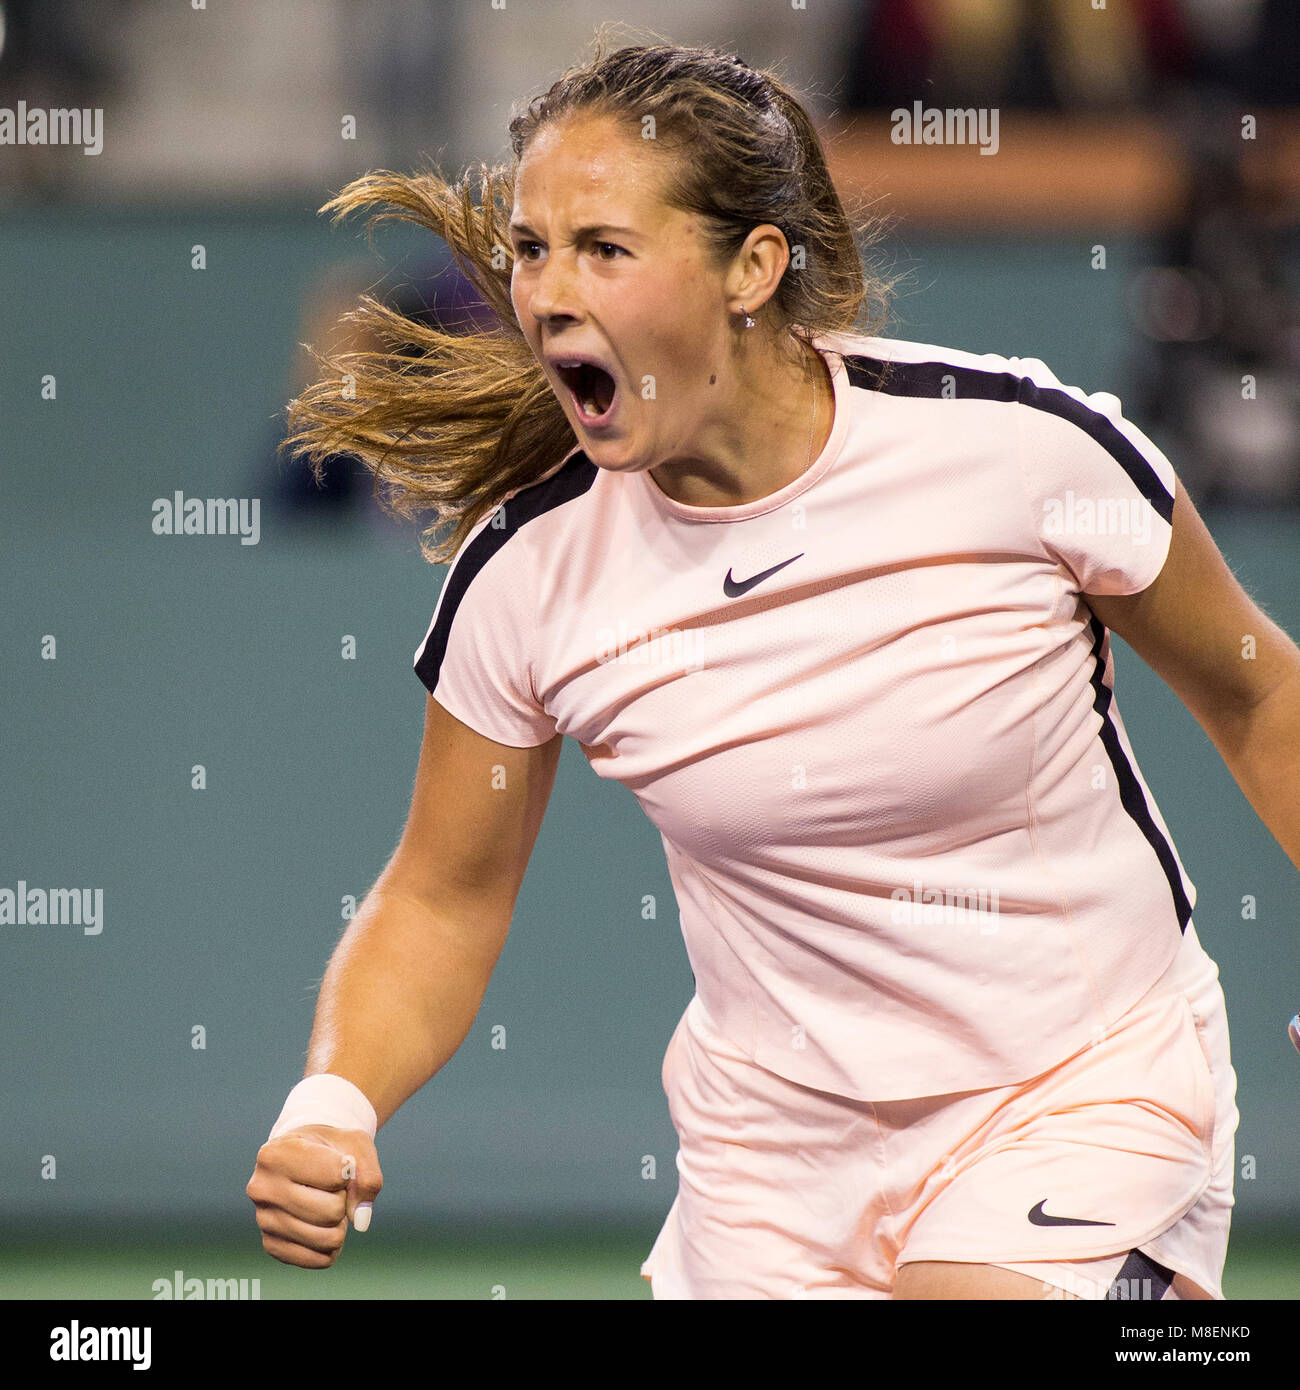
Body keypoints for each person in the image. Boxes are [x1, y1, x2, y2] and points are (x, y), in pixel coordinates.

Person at [246, 37, 1298, 1301]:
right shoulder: (523, 572)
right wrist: (332, 1100)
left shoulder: (1025, 454)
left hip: (1083, 1081)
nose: (546, 293)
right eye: (529, 248)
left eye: (605, 248)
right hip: (769, 1167)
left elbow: (1261, 692)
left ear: (750, 267)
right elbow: (441, 893)